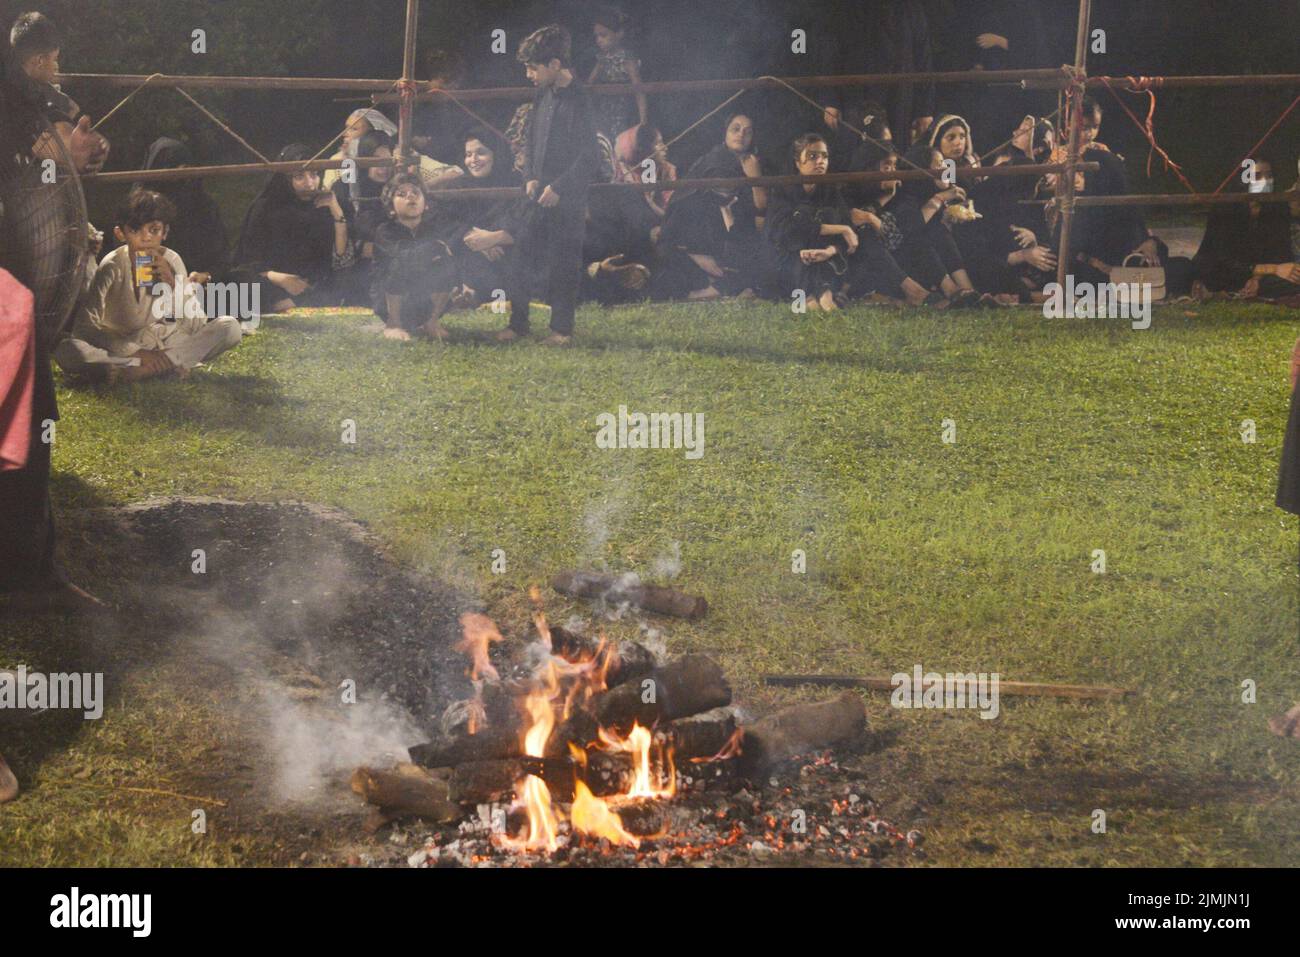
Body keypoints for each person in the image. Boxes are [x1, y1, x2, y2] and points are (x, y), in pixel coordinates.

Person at [1, 11, 107, 618]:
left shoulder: (31, 112)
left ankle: (28, 569)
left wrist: (62, 139)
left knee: (29, 430)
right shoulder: (22, 105)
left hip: (18, 299)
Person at [54, 189, 242, 382]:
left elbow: (195, 325)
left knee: (230, 326)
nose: (145, 238)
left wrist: (173, 283)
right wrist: (135, 352)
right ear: (121, 233)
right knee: (67, 349)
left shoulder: (172, 260)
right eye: (135, 230)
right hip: (125, 347)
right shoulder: (112, 266)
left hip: (163, 342)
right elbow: (84, 328)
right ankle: (163, 366)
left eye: (154, 230)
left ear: (165, 232)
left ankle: (148, 370)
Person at [496, 25, 599, 346]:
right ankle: (519, 324)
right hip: (536, 191)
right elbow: (531, 139)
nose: (529, 74)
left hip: (566, 198)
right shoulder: (542, 93)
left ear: (555, 65)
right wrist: (529, 176)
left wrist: (560, 187)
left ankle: (561, 331)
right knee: (519, 254)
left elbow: (589, 155)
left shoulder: (580, 99)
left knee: (564, 262)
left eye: (533, 67)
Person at [230, 144, 355, 313]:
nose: (309, 183)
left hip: (315, 286)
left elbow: (341, 259)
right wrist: (281, 279)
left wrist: (336, 210)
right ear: (286, 179)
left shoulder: (329, 203)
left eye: (314, 174)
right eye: (299, 177)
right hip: (271, 282)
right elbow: (249, 261)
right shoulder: (267, 208)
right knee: (242, 286)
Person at [764, 134, 858, 312]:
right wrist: (841, 229)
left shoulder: (830, 190)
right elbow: (786, 230)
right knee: (803, 217)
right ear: (798, 162)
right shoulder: (783, 189)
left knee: (828, 220)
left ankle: (818, 298)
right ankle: (820, 297)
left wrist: (829, 251)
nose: (820, 161)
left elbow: (848, 231)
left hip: (822, 259)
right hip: (787, 256)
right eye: (813, 156)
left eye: (824, 156)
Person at [437, 128, 523, 308]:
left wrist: (493, 238)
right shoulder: (456, 187)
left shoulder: (515, 183)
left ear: (496, 155)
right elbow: (444, 222)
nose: (473, 160)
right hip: (469, 250)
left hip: (505, 249)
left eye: (481, 153)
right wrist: (472, 237)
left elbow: (520, 219)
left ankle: (473, 294)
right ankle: (474, 294)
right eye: (468, 154)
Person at [371, 173, 461, 341]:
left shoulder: (433, 228)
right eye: (401, 194)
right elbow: (402, 258)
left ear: (425, 204)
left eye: (415, 192)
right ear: (391, 207)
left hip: (424, 300)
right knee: (399, 263)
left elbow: (452, 246)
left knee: (446, 263)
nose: (410, 196)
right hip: (390, 301)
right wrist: (435, 247)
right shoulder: (385, 231)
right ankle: (394, 324)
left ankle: (431, 322)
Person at [891, 143, 982, 305]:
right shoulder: (907, 195)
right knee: (930, 231)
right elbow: (911, 227)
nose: (945, 168)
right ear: (924, 169)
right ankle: (953, 290)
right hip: (905, 263)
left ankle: (967, 290)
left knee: (940, 230)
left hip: (932, 263)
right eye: (939, 164)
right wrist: (940, 198)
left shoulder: (932, 192)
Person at [1194, 159, 1298, 298]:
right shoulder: (1225, 209)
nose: (1265, 181)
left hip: (1262, 273)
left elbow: (1278, 251)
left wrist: (1257, 279)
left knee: (1293, 276)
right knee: (1216, 273)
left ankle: (1253, 289)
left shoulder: (1276, 207)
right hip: (1225, 271)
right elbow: (1223, 258)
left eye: (1269, 175)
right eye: (1257, 176)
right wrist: (1273, 269)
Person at [136, 137, 229, 282]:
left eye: (184, 168)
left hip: (199, 288)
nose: (179, 177)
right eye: (171, 168)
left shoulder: (203, 205)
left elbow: (221, 257)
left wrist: (207, 275)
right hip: (151, 289)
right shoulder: (138, 209)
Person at [587, 6, 648, 165]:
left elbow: (639, 90)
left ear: (619, 34)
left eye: (603, 35)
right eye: (597, 36)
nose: (599, 40)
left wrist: (643, 121)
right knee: (604, 145)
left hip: (623, 111)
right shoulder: (602, 58)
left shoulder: (627, 58)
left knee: (622, 147)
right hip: (605, 109)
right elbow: (589, 83)